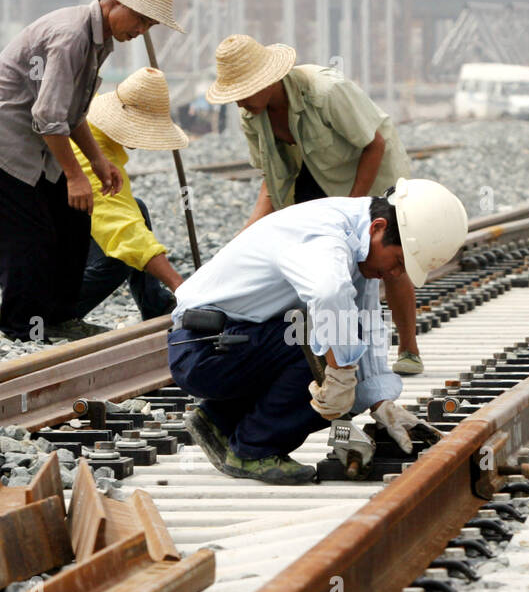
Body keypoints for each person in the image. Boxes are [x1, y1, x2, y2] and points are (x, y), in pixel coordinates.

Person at [168, 178, 467, 485]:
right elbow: (328, 294)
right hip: (202, 349)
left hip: (230, 343)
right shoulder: (326, 235)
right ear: (378, 227)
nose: (394, 274)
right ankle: (255, 448)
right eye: (399, 262)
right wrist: (340, 375)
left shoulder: (357, 234)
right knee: (323, 349)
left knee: (338, 345)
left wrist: (381, 403)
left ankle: (219, 418)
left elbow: (363, 316)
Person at [0, 0, 184, 342]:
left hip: (31, 147)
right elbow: (47, 115)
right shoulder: (71, 36)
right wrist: (76, 175)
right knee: (27, 236)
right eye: (141, 20)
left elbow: (73, 112)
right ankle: (23, 329)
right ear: (116, 1)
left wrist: (96, 161)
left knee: (73, 221)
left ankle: (59, 319)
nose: (141, 31)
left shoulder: (98, 40)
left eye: (149, 26)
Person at [203, 34, 429, 377]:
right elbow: (272, 175)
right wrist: (249, 232)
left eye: (243, 92)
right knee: (312, 258)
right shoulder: (253, 115)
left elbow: (374, 145)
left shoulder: (325, 91)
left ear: (268, 80)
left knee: (388, 256)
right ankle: (326, 351)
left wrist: (352, 214)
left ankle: (408, 347)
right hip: (309, 176)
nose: (238, 103)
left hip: (370, 169)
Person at [69, 67, 186, 329]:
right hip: (34, 263)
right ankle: (55, 314)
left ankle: (155, 306)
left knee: (137, 208)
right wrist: (180, 285)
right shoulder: (89, 152)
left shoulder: (93, 124)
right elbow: (122, 230)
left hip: (53, 235)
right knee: (121, 255)